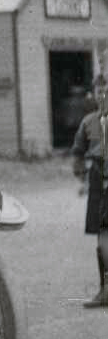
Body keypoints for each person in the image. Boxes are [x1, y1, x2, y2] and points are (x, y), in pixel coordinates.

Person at [72, 87, 108, 308]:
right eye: (100, 93)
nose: (103, 97)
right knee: (102, 237)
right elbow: (78, 151)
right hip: (97, 178)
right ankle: (105, 290)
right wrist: (83, 177)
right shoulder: (88, 122)